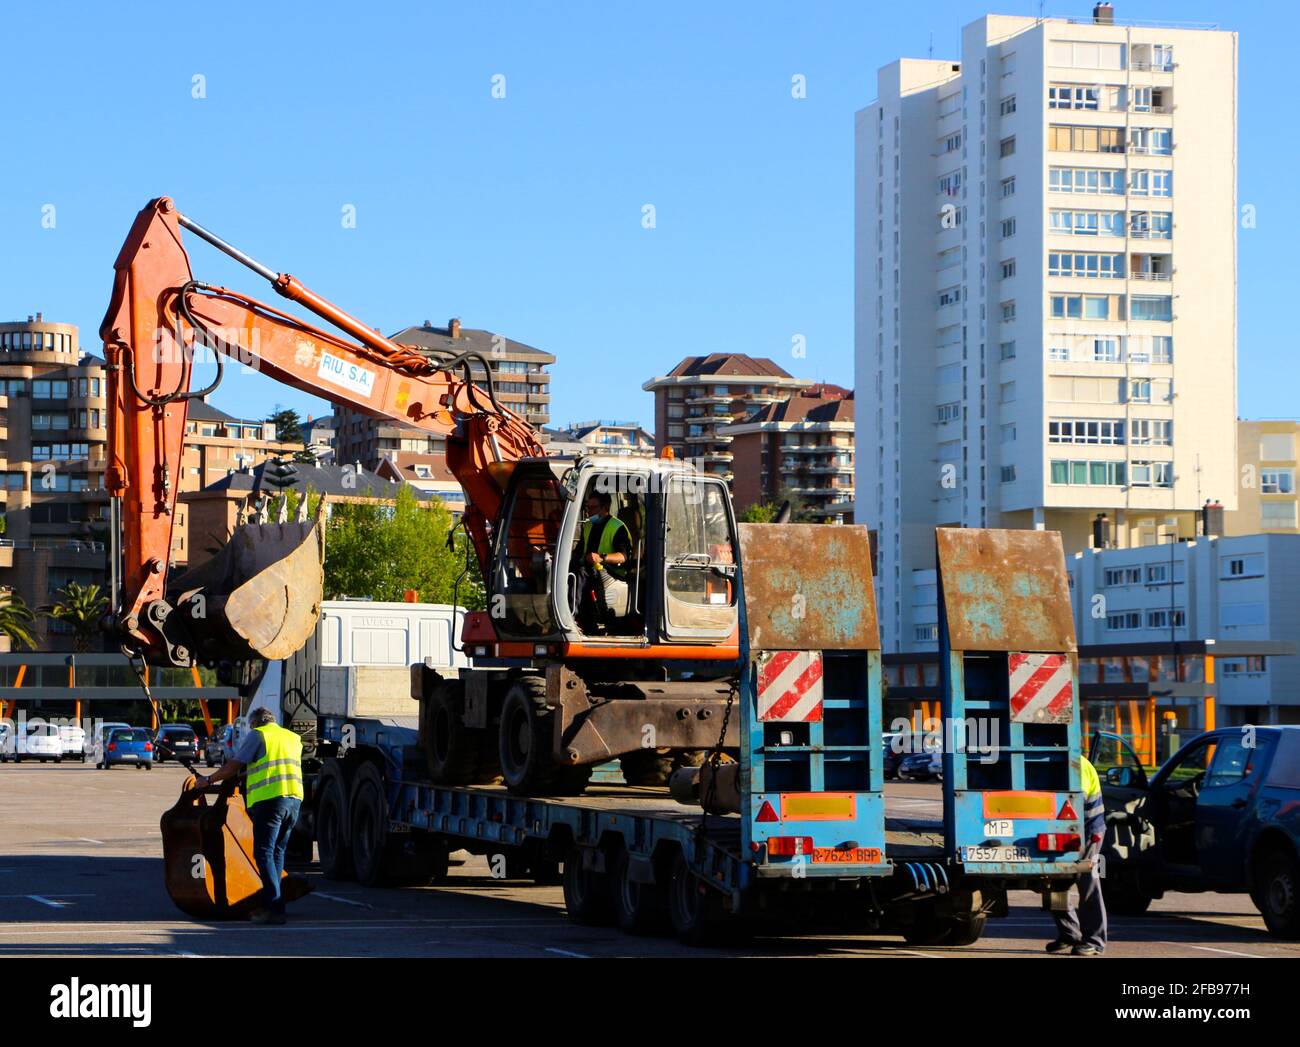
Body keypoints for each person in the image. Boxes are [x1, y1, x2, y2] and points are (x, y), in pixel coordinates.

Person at [194, 708, 304, 925]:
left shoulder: (258, 734)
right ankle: (277, 903)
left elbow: (235, 764)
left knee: (263, 853)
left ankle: (274, 907)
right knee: (277, 853)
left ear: (255, 723)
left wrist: (209, 780)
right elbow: (273, 766)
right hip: (294, 800)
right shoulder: (292, 737)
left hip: (270, 801)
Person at [1047, 754, 1108, 956]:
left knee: (1088, 883)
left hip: (1088, 833)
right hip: (1065, 832)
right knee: (1056, 884)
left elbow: (1074, 801)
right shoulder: (1059, 761)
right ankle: (1069, 934)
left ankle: (1094, 941)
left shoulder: (1078, 764)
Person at [574, 490, 632, 632]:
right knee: (572, 569)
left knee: (581, 573)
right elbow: (580, 551)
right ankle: (585, 620)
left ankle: (572, 615)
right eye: (587, 508)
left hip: (612, 572)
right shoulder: (589, 525)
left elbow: (623, 557)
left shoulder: (617, 527)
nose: (588, 512)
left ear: (605, 508)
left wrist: (602, 557)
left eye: (592, 508)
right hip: (592, 569)